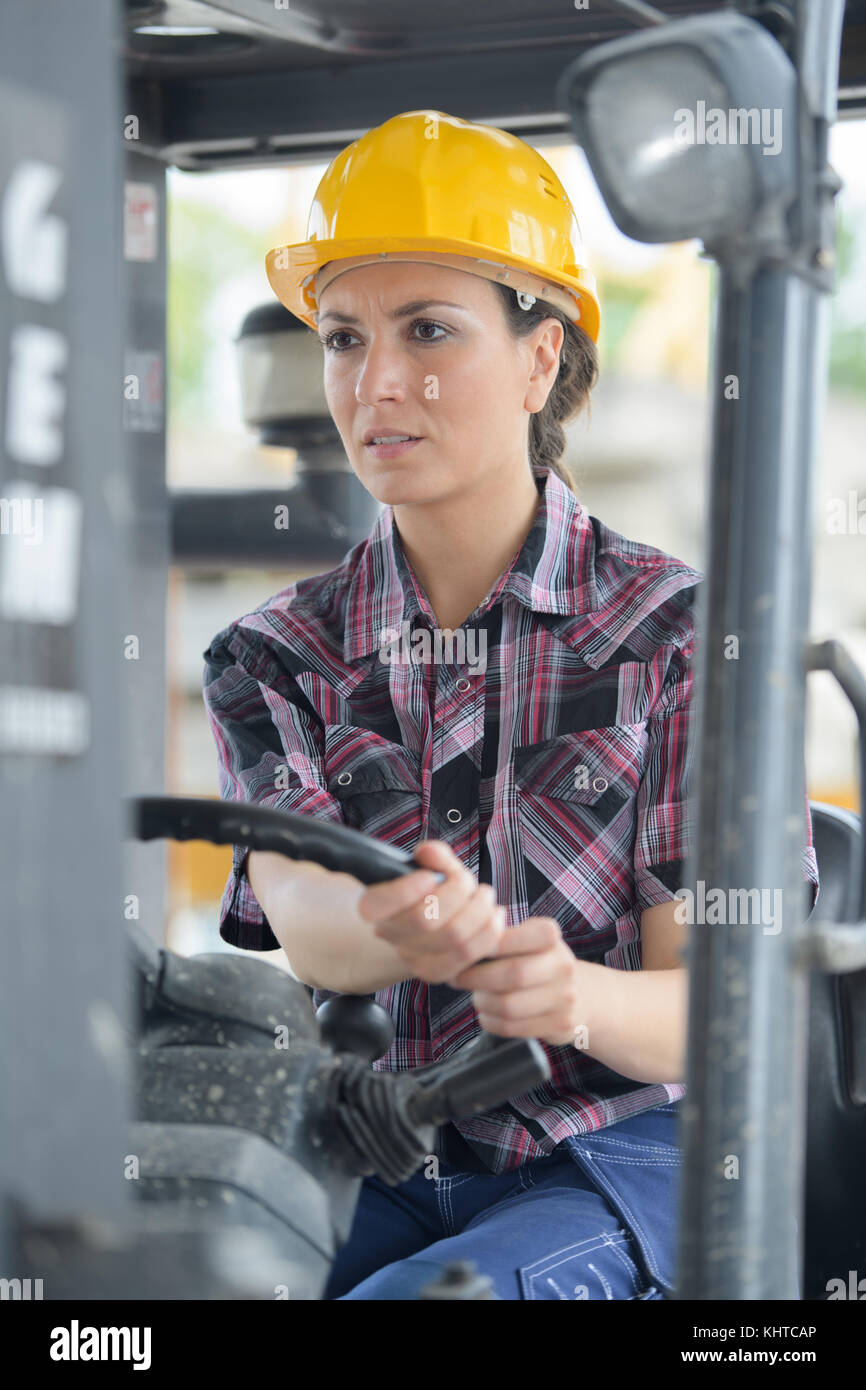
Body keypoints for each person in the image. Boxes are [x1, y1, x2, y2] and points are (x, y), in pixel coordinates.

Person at [201, 110, 820, 1300]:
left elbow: (725, 1015)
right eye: (341, 338)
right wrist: (404, 921)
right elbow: (306, 915)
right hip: (375, 1150)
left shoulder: (683, 637)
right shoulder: (272, 652)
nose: (374, 382)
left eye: (426, 329)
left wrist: (568, 996)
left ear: (541, 359)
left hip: (618, 1164)